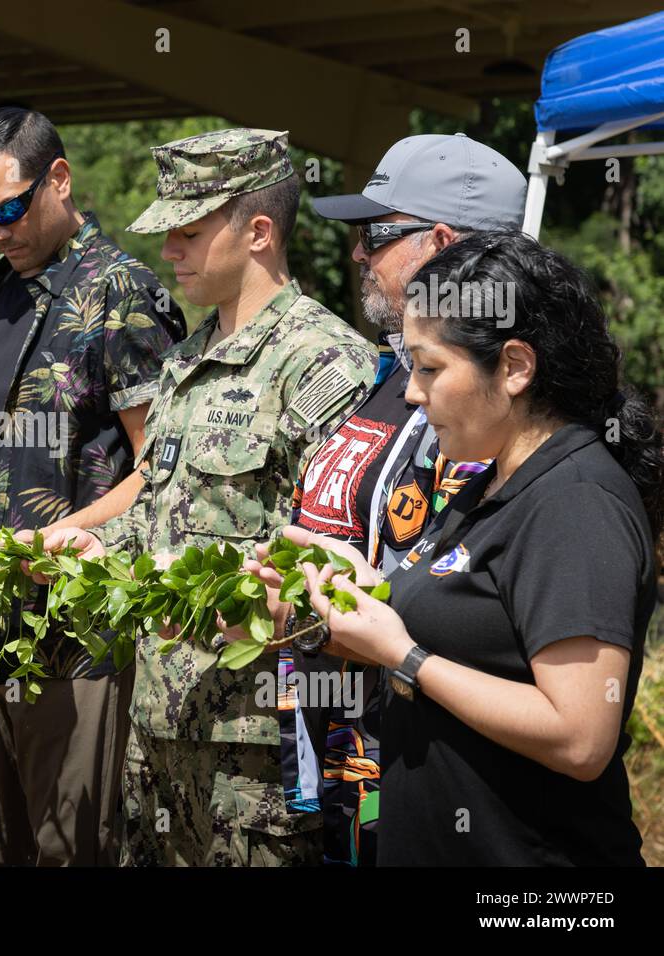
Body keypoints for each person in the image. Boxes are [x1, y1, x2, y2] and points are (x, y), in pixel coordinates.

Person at [255, 232, 659, 865]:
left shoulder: (575, 502)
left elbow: (580, 738)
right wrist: (342, 594)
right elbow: (461, 628)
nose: (412, 393)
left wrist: (404, 656)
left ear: (516, 367)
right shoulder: (490, 481)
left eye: (430, 368)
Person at [40, 129, 376, 866]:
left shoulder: (326, 366)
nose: (170, 253)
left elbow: (344, 568)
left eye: (188, 234)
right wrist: (99, 545)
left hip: (257, 747)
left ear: (258, 232)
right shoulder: (186, 361)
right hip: (160, 721)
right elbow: (162, 505)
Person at [0, 107, 185, 866]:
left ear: (58, 179)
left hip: (69, 635)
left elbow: (161, 470)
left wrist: (72, 535)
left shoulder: (122, 293)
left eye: (9, 209)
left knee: (70, 846)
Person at [288, 133, 526, 864]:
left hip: (430, 786)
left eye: (375, 234)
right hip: (348, 767)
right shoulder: (394, 372)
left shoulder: (493, 397)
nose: (358, 253)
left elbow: (458, 593)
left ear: (442, 245)